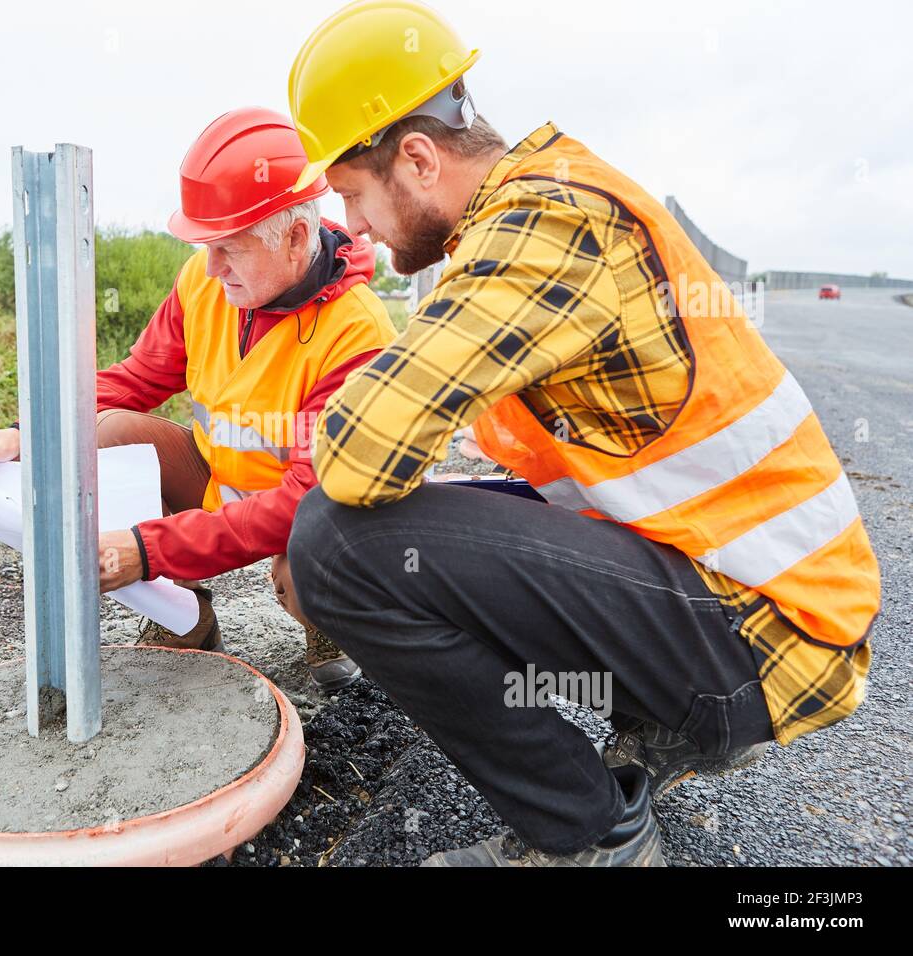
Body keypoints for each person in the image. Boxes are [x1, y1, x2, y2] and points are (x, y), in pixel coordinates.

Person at [283, 0, 880, 865]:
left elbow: (359, 456)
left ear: (415, 158)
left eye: (351, 195)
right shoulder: (547, 196)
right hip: (754, 598)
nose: (355, 229)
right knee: (441, 518)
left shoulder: (543, 228)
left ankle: (590, 837)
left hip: (766, 636)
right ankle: (659, 719)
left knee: (340, 546)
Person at [0, 107, 398, 691]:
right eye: (204, 245)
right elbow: (136, 378)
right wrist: (29, 434)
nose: (210, 267)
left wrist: (145, 552)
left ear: (297, 237)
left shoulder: (358, 333)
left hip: (309, 506)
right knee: (109, 435)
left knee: (314, 560)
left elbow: (305, 495)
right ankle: (186, 622)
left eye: (228, 248)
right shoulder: (206, 281)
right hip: (221, 478)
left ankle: (328, 626)